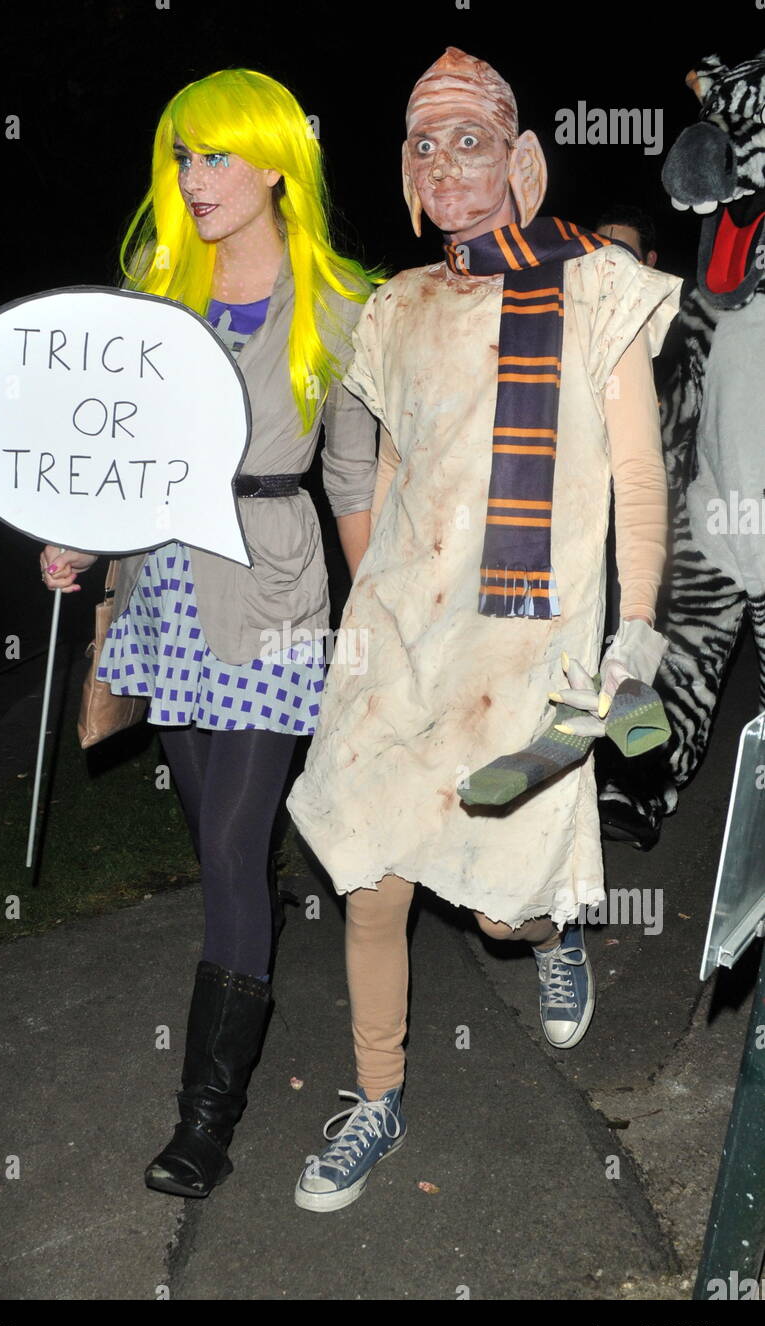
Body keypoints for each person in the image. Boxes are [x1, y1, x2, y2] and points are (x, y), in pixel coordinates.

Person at [286, 48, 682, 1212]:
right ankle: (376, 1096)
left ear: (520, 160)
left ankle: (549, 925)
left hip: (532, 641)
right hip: (407, 636)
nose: (444, 162)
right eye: (422, 143)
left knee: (502, 899)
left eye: (469, 140)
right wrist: (373, 623)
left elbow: (637, 481)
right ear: (405, 177)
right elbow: (398, 478)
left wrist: (640, 629)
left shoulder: (596, 284)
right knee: (373, 878)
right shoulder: (399, 307)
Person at [40, 68, 379, 1199]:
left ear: (277, 162)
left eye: (216, 157)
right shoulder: (154, 287)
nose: (193, 181)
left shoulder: (337, 305)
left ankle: (204, 1124)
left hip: (276, 594)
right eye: (182, 158)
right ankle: (256, 921)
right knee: (216, 840)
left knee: (232, 854)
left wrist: (381, 620)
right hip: (166, 592)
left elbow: (350, 478)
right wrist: (75, 539)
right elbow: (109, 452)